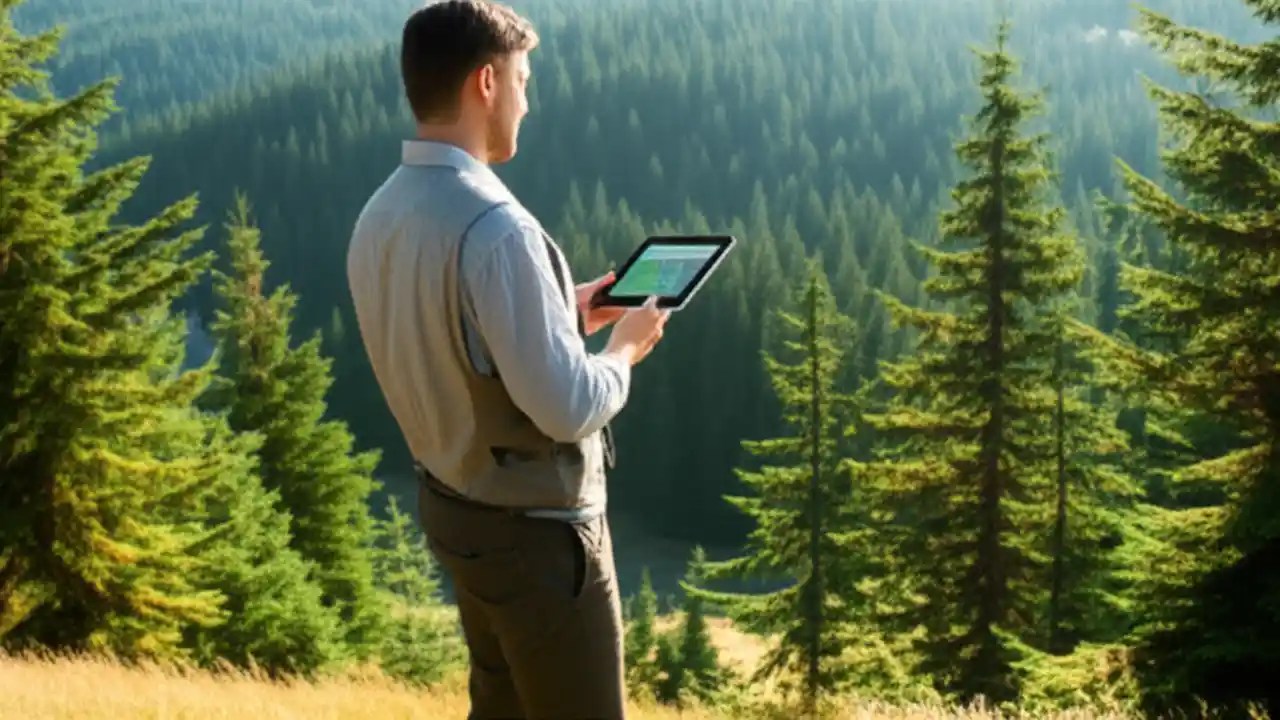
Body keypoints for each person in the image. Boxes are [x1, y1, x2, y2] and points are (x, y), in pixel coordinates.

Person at [345, 1, 669, 718]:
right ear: (486, 82)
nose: (528, 98)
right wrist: (622, 349)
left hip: (455, 510)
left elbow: (453, 339)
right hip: (540, 542)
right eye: (523, 78)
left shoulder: (382, 213)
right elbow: (565, 407)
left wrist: (568, 311)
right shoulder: (498, 230)